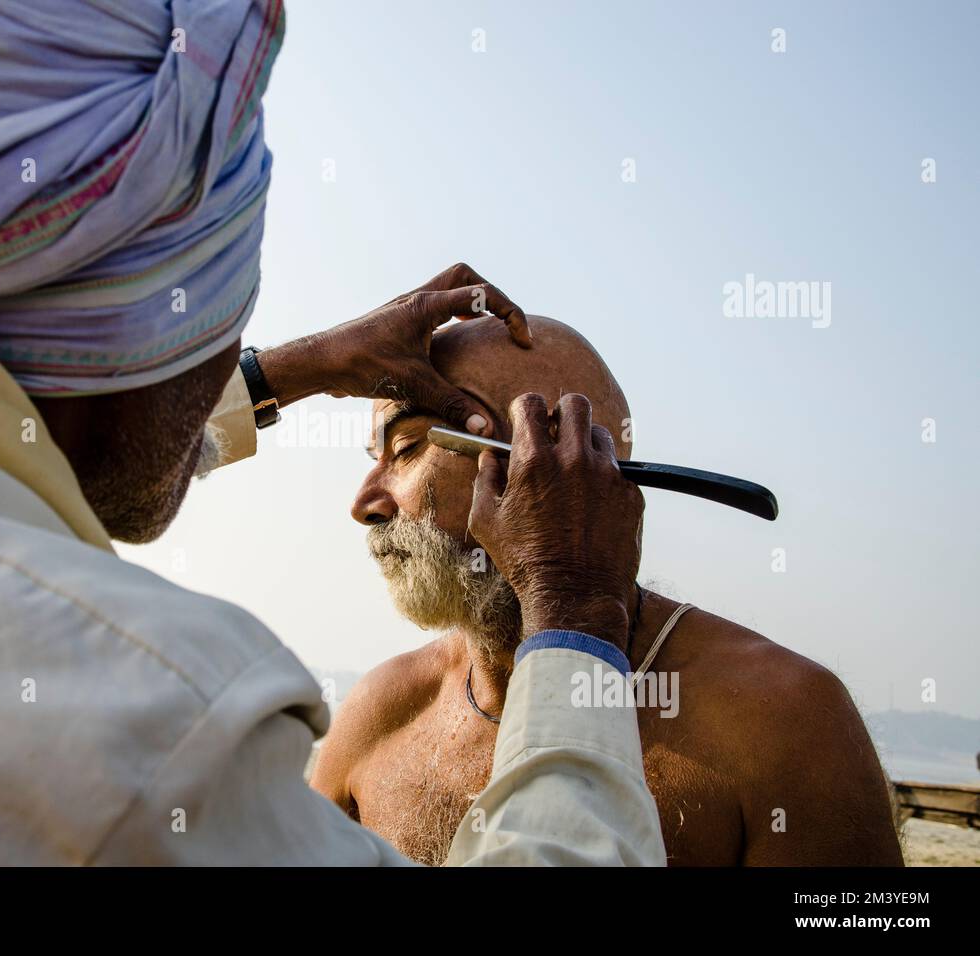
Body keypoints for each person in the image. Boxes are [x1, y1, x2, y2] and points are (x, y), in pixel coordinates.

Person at [0, 0, 663, 865]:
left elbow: (25, 424)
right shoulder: (146, 729)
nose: (361, 498)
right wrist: (575, 614)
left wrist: (283, 372)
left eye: (402, 447)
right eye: (222, 318)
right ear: (131, 325)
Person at [312, 314, 904, 866]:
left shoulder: (782, 719)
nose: (365, 503)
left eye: (408, 447)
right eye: (376, 457)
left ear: (547, 460)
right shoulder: (378, 712)